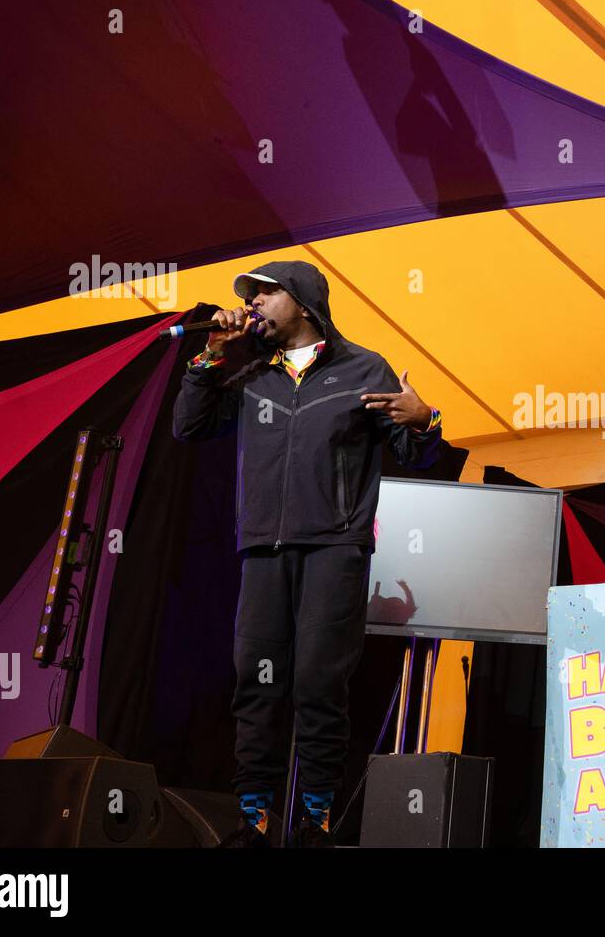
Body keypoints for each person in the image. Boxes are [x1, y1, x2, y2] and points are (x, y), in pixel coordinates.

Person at [171, 259, 442, 846]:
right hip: (263, 550)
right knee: (257, 684)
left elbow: (415, 453)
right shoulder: (250, 376)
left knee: (319, 683)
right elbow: (188, 428)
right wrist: (212, 355)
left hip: (334, 549)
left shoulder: (363, 368)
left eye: (267, 294)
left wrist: (424, 421)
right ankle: (253, 820)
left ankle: (315, 822)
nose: (255, 304)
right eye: (252, 296)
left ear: (304, 302)